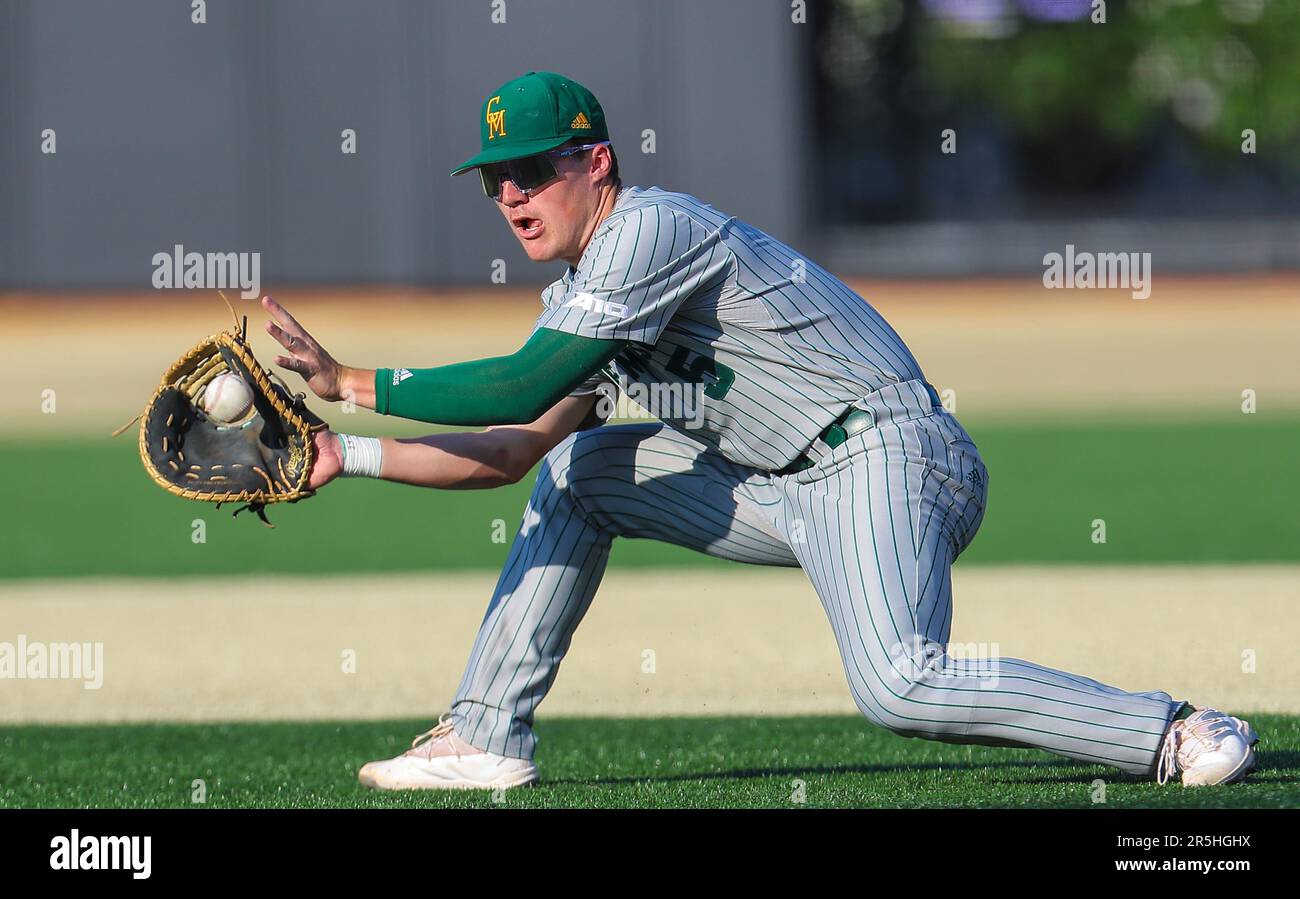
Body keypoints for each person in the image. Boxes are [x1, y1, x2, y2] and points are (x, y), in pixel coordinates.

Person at [262, 71, 1258, 791]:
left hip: (888, 451)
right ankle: (484, 731)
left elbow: (524, 376)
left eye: (530, 169)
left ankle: (1166, 730)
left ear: (594, 162)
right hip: (782, 485)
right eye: (495, 180)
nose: (511, 195)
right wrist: (345, 454)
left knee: (900, 685)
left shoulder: (648, 229)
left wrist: (352, 379)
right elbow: (518, 442)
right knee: (576, 471)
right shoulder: (586, 294)